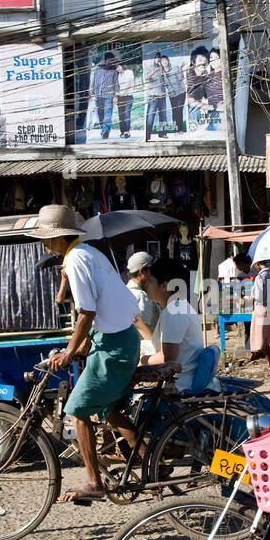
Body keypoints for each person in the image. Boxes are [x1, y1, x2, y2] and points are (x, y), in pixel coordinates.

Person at [29, 205, 142, 503]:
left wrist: (69, 352)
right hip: (121, 339)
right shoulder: (89, 253)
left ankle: (94, 482)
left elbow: (87, 313)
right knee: (107, 409)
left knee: (77, 409)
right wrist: (80, 346)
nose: (44, 243)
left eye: (45, 237)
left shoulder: (77, 259)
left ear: (55, 238)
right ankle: (153, 459)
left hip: (114, 345)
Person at [141, 258, 219, 393]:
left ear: (164, 285)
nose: (145, 284)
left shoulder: (174, 311)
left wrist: (143, 359)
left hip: (180, 385)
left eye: (150, 281)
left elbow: (168, 357)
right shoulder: (178, 307)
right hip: (184, 379)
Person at [249, 258, 270, 368]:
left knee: (261, 338)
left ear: (258, 264)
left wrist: (247, 298)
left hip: (260, 308)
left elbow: (257, 297)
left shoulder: (260, 277)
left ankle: (269, 363)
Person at [125, 251, 160, 333]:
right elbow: (143, 330)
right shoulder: (141, 296)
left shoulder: (125, 292)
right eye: (152, 269)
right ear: (143, 271)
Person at [91, 52, 120, 140]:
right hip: (98, 94)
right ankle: (103, 128)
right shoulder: (97, 68)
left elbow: (116, 83)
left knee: (108, 114)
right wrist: (92, 92)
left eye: (112, 60)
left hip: (109, 95)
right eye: (110, 60)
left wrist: (116, 95)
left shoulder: (114, 70)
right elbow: (94, 80)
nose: (111, 62)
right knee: (100, 114)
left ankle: (105, 132)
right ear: (105, 60)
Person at [145, 53, 171, 139]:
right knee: (150, 116)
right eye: (156, 58)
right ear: (153, 58)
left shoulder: (162, 68)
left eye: (159, 58)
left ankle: (162, 133)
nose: (158, 59)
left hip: (162, 95)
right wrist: (154, 71)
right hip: (153, 95)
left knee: (163, 115)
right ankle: (147, 135)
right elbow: (146, 77)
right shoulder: (149, 67)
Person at [116, 61, 136, 139]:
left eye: (118, 67)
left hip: (128, 96)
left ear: (122, 66)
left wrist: (122, 92)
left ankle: (127, 131)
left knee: (127, 114)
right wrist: (117, 95)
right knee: (121, 115)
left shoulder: (129, 72)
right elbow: (118, 87)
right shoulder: (118, 76)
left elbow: (129, 83)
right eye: (116, 68)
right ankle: (122, 132)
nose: (117, 69)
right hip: (120, 97)